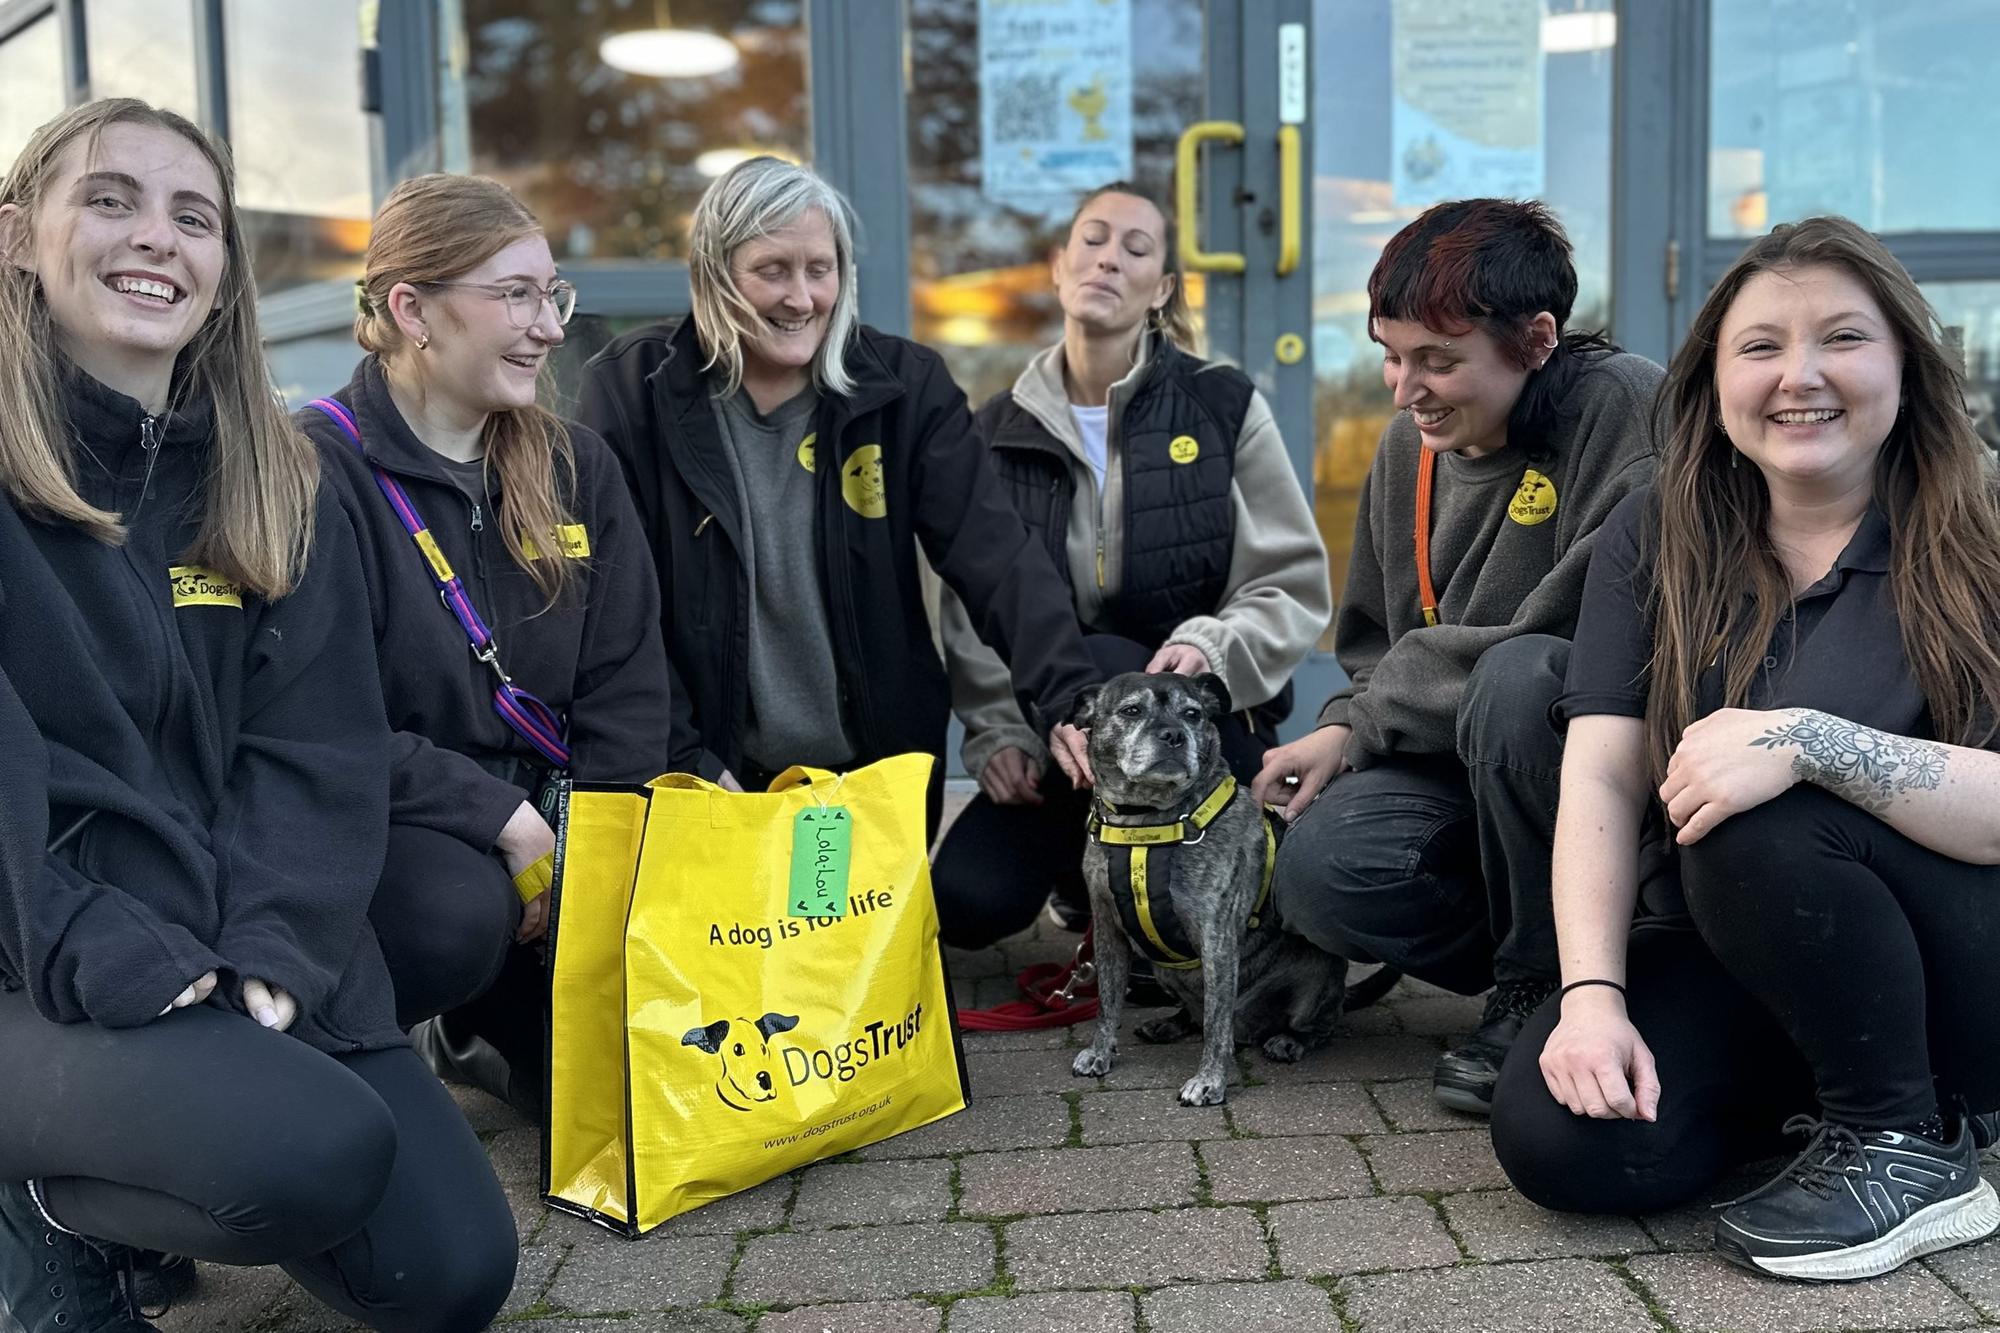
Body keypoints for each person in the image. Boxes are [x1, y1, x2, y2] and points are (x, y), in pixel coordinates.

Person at [0, 99, 514, 1332]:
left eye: (193, 217)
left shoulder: (278, 478)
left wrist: (272, 950)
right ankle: (40, 1215)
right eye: (109, 199)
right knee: (304, 1153)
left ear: (225, 269)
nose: (155, 240)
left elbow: (317, 744)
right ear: (18, 236)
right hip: (37, 947)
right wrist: (119, 954)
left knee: (451, 1277)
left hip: (220, 929)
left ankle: (171, 1125)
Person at [1491, 215, 2000, 1282]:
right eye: (1759, 346)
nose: (1797, 376)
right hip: (1755, 949)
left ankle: (1908, 1146)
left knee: (1751, 801)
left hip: (1958, 950)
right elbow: (1600, 768)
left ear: (1905, 359)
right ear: (1712, 381)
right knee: (1563, 1142)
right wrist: (1591, 996)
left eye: (1841, 340)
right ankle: (1827, 1104)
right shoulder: (1655, 526)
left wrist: (1808, 741)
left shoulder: (1981, 527)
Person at [1251, 199, 1662, 1113]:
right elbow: (1375, 642)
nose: (1406, 389)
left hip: (1598, 759)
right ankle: (1553, 941)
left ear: (1537, 337)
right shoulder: (1409, 445)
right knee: (1322, 866)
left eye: (1439, 360)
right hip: (1457, 762)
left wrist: (1379, 708)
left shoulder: (1626, 410)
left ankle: (1541, 981)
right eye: (1392, 356)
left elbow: (1577, 637)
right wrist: (1345, 727)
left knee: (1521, 681)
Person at [296, 173, 674, 1118]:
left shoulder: (574, 464)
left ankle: (481, 1031)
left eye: (553, 294)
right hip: (417, 841)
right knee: (452, 921)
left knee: (624, 1090)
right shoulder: (315, 470)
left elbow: (626, 681)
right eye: (515, 294)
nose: (548, 326)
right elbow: (319, 725)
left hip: (562, 827)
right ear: (411, 308)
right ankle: (398, 1026)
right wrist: (502, 819)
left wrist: (602, 847)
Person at [576, 157, 1098, 809]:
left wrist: (1069, 698)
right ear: (715, 275)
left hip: (871, 773)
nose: (801, 298)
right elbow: (614, 609)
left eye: (819, 269)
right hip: (707, 776)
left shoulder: (906, 388)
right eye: (773, 270)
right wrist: (686, 758)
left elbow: (996, 556)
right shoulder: (630, 393)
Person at [930, 181, 1330, 949]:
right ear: (1057, 265)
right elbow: (969, 604)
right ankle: (1085, 880)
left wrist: (1215, 646)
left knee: (1194, 930)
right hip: (1070, 738)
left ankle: (1144, 898)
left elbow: (1290, 581)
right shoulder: (994, 431)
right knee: (967, 903)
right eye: (1093, 239)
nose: (1109, 259)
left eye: (1136, 248)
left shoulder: (1223, 405)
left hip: (1202, 728)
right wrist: (995, 734)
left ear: (1163, 289)